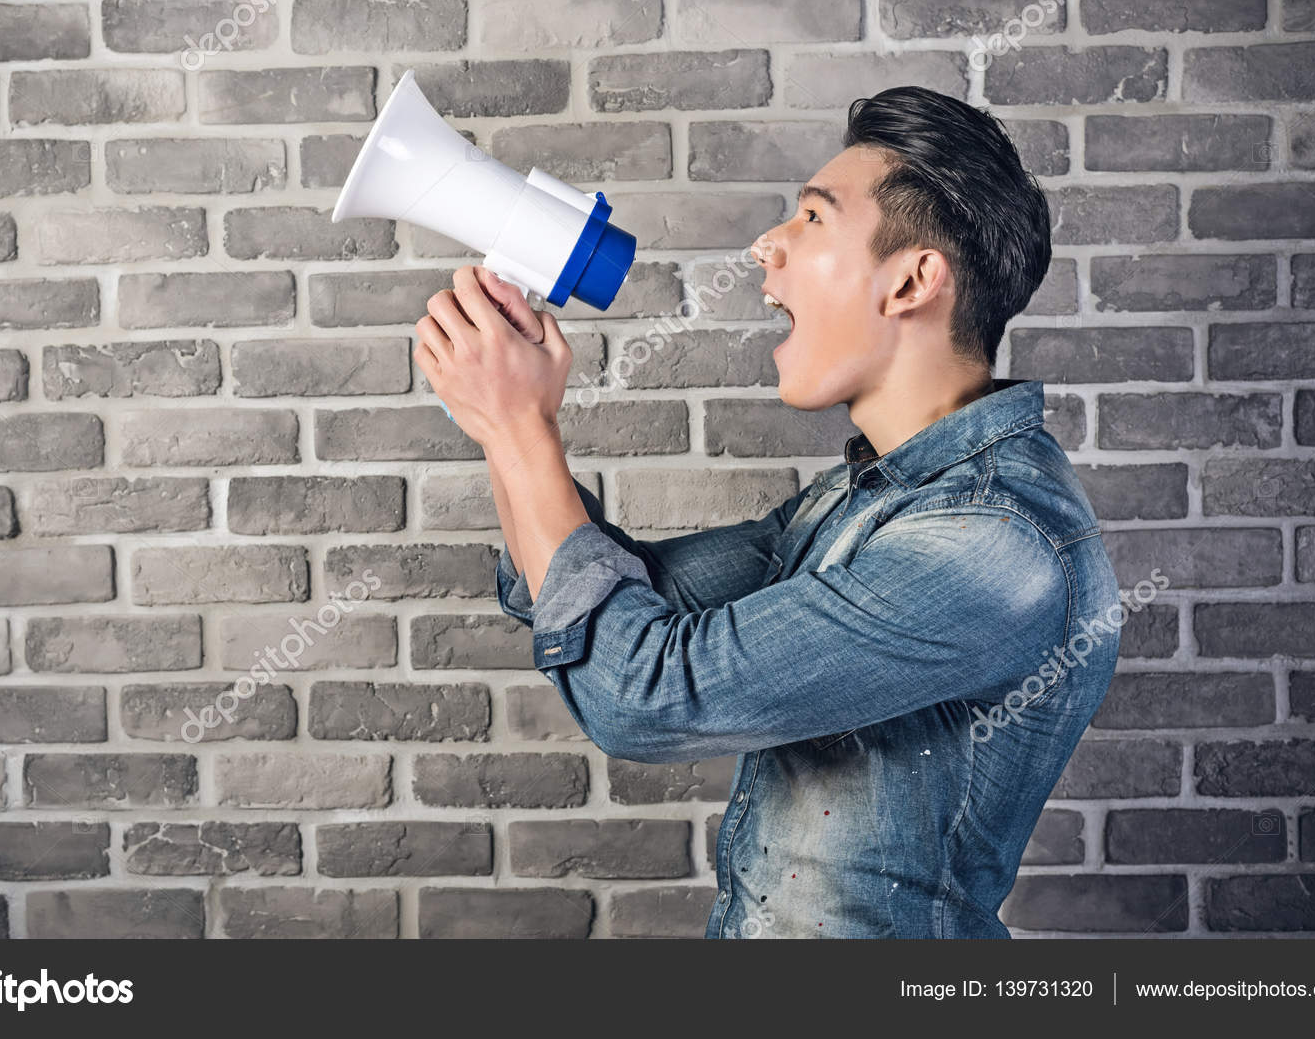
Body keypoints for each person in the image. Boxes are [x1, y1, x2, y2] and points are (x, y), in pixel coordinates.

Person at [412, 86, 1120, 939]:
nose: (767, 246)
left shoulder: (990, 543)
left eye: (813, 219)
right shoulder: (864, 500)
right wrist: (509, 426)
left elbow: (643, 695)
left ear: (911, 280)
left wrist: (519, 429)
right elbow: (612, 601)